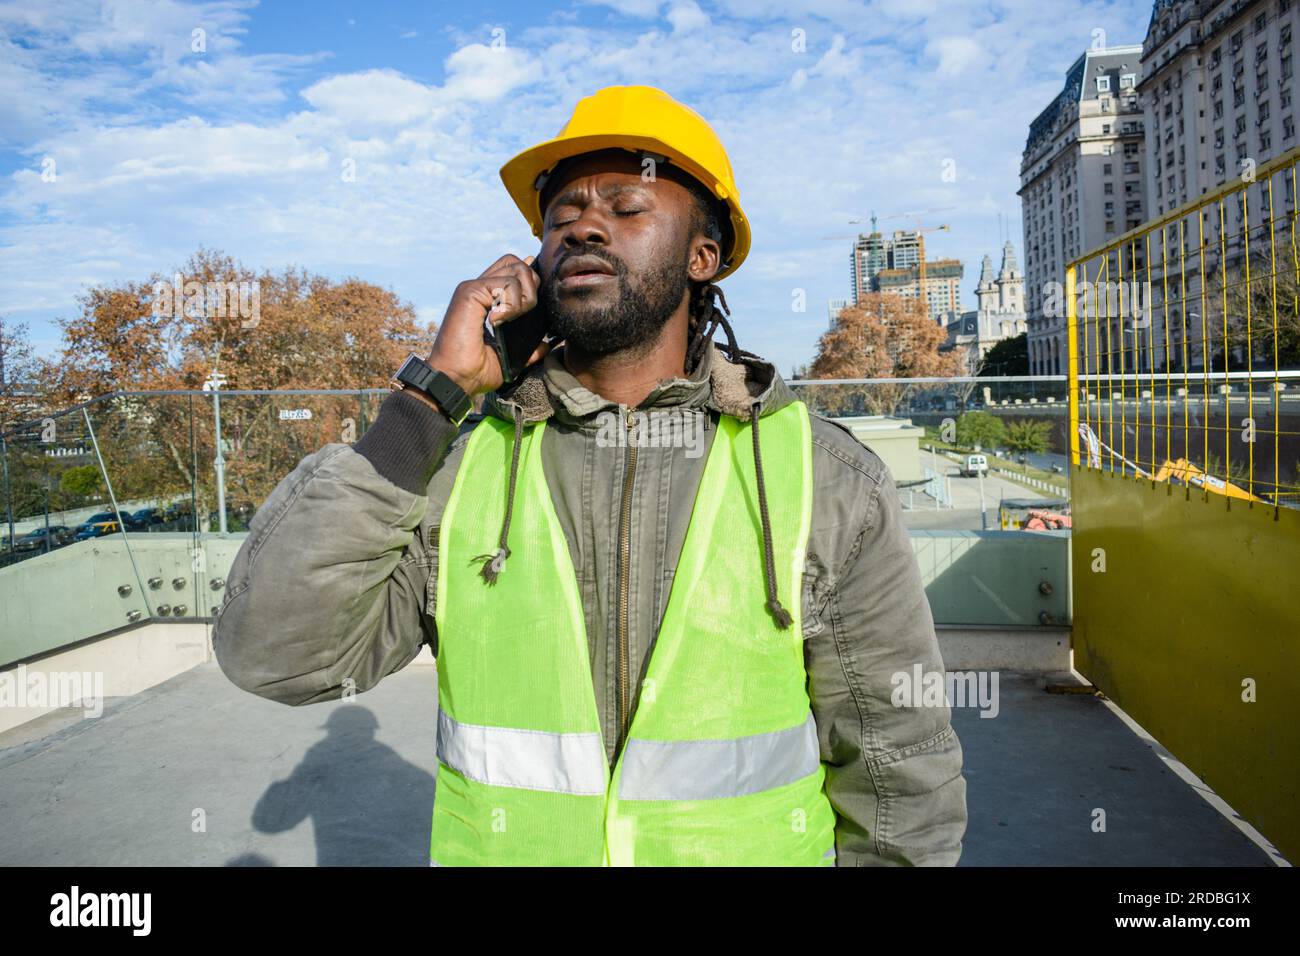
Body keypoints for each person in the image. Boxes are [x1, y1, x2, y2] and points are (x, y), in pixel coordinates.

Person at [213, 85, 967, 867]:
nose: (585, 227)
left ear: (702, 256)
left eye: (627, 206)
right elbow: (276, 658)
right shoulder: (459, 470)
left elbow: (897, 764)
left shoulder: (823, 475)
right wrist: (429, 404)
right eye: (562, 215)